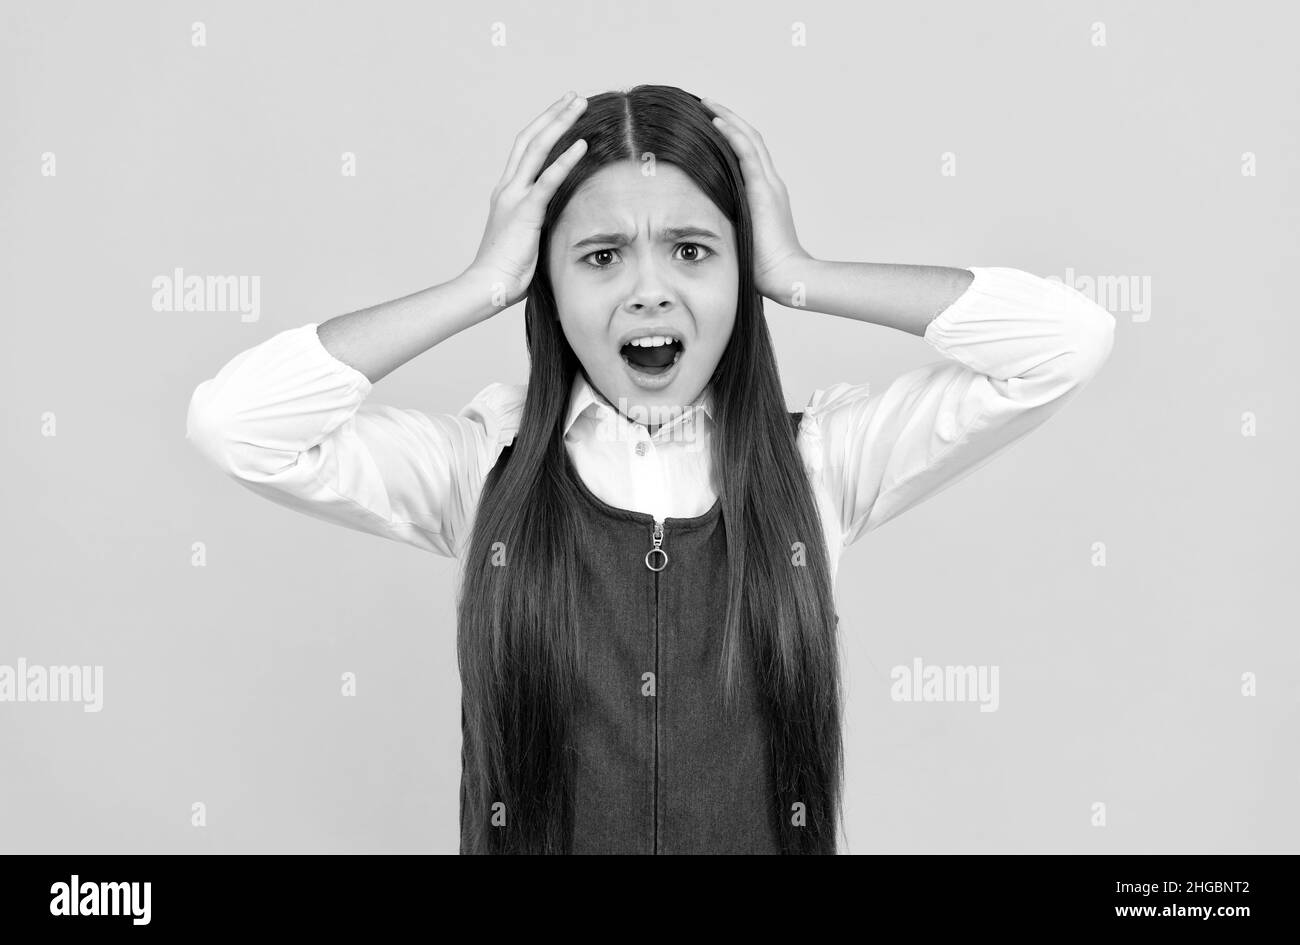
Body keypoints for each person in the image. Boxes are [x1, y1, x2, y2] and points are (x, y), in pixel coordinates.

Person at [186, 85, 1117, 854]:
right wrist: (476, 287)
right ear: (545, 285)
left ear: (737, 271)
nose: (648, 289)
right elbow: (238, 424)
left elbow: (1066, 342)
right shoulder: (484, 471)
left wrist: (800, 271)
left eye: (692, 249)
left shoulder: (820, 464)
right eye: (600, 256)